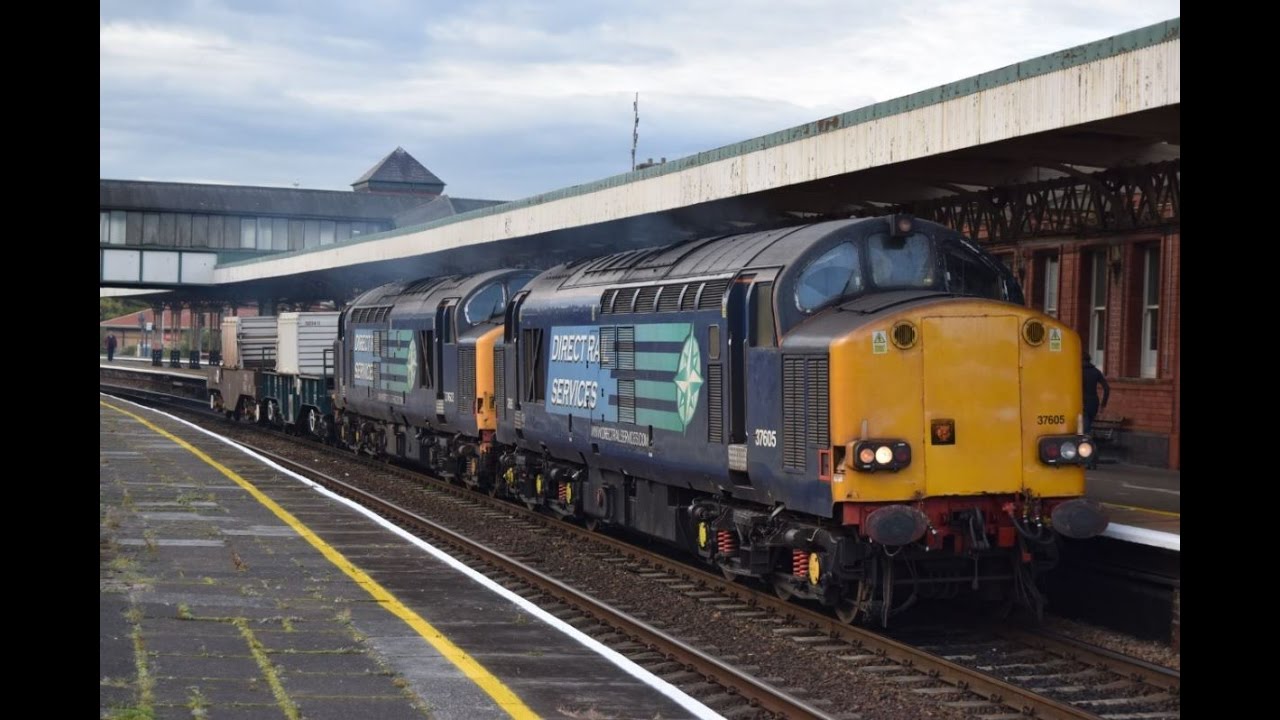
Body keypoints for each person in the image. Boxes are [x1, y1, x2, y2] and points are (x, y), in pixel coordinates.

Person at [1082, 350, 1110, 465]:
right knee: (1087, 429)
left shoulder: (1077, 372)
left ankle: (1090, 459)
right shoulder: (1096, 371)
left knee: (1085, 432)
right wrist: (1103, 404)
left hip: (1081, 403)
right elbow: (1107, 388)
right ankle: (1089, 458)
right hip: (1094, 403)